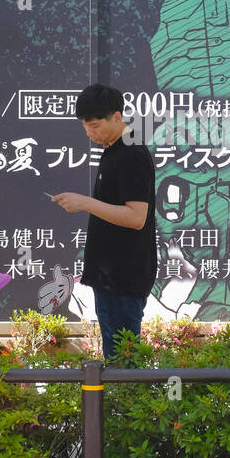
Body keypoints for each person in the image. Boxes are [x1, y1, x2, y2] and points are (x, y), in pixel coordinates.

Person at [52, 84, 157, 359]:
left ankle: (125, 402)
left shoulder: (131, 153)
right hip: (111, 275)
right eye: (85, 127)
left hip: (124, 276)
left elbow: (136, 217)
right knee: (117, 356)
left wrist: (85, 203)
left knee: (123, 360)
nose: (89, 133)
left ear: (117, 117)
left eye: (95, 126)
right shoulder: (114, 150)